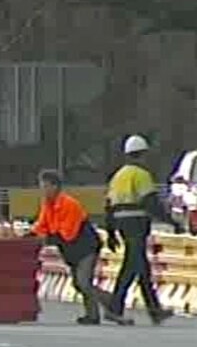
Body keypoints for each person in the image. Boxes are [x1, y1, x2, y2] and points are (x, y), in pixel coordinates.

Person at [31, 170, 130, 326]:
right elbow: (42, 225)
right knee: (79, 284)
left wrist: (48, 238)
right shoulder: (48, 204)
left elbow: (68, 234)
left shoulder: (69, 204)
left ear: (56, 186)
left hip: (86, 247)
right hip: (71, 250)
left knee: (83, 282)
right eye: (41, 186)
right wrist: (30, 235)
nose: (43, 190)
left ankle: (111, 302)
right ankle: (93, 315)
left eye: (46, 186)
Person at [104, 134, 176, 325]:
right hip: (136, 225)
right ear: (143, 154)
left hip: (122, 225)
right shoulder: (141, 175)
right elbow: (150, 202)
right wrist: (171, 221)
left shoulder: (118, 176)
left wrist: (111, 233)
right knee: (130, 266)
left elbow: (109, 206)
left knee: (142, 269)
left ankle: (154, 310)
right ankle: (114, 308)